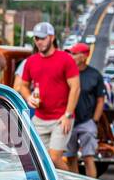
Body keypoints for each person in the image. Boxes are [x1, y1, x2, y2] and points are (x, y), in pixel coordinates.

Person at [14, 21, 79, 170]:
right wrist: (29, 97)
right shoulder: (31, 61)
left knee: (55, 158)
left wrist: (68, 115)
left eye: (42, 38)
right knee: (40, 161)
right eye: (36, 38)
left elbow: (75, 88)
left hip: (61, 118)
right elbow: (23, 86)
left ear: (52, 37)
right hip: (39, 118)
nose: (39, 42)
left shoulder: (65, 59)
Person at [67, 41, 105, 178]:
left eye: (74, 53)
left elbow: (101, 100)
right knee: (70, 157)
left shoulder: (95, 75)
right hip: (68, 120)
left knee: (88, 157)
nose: (71, 56)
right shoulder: (67, 73)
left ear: (84, 56)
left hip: (87, 121)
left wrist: (94, 120)